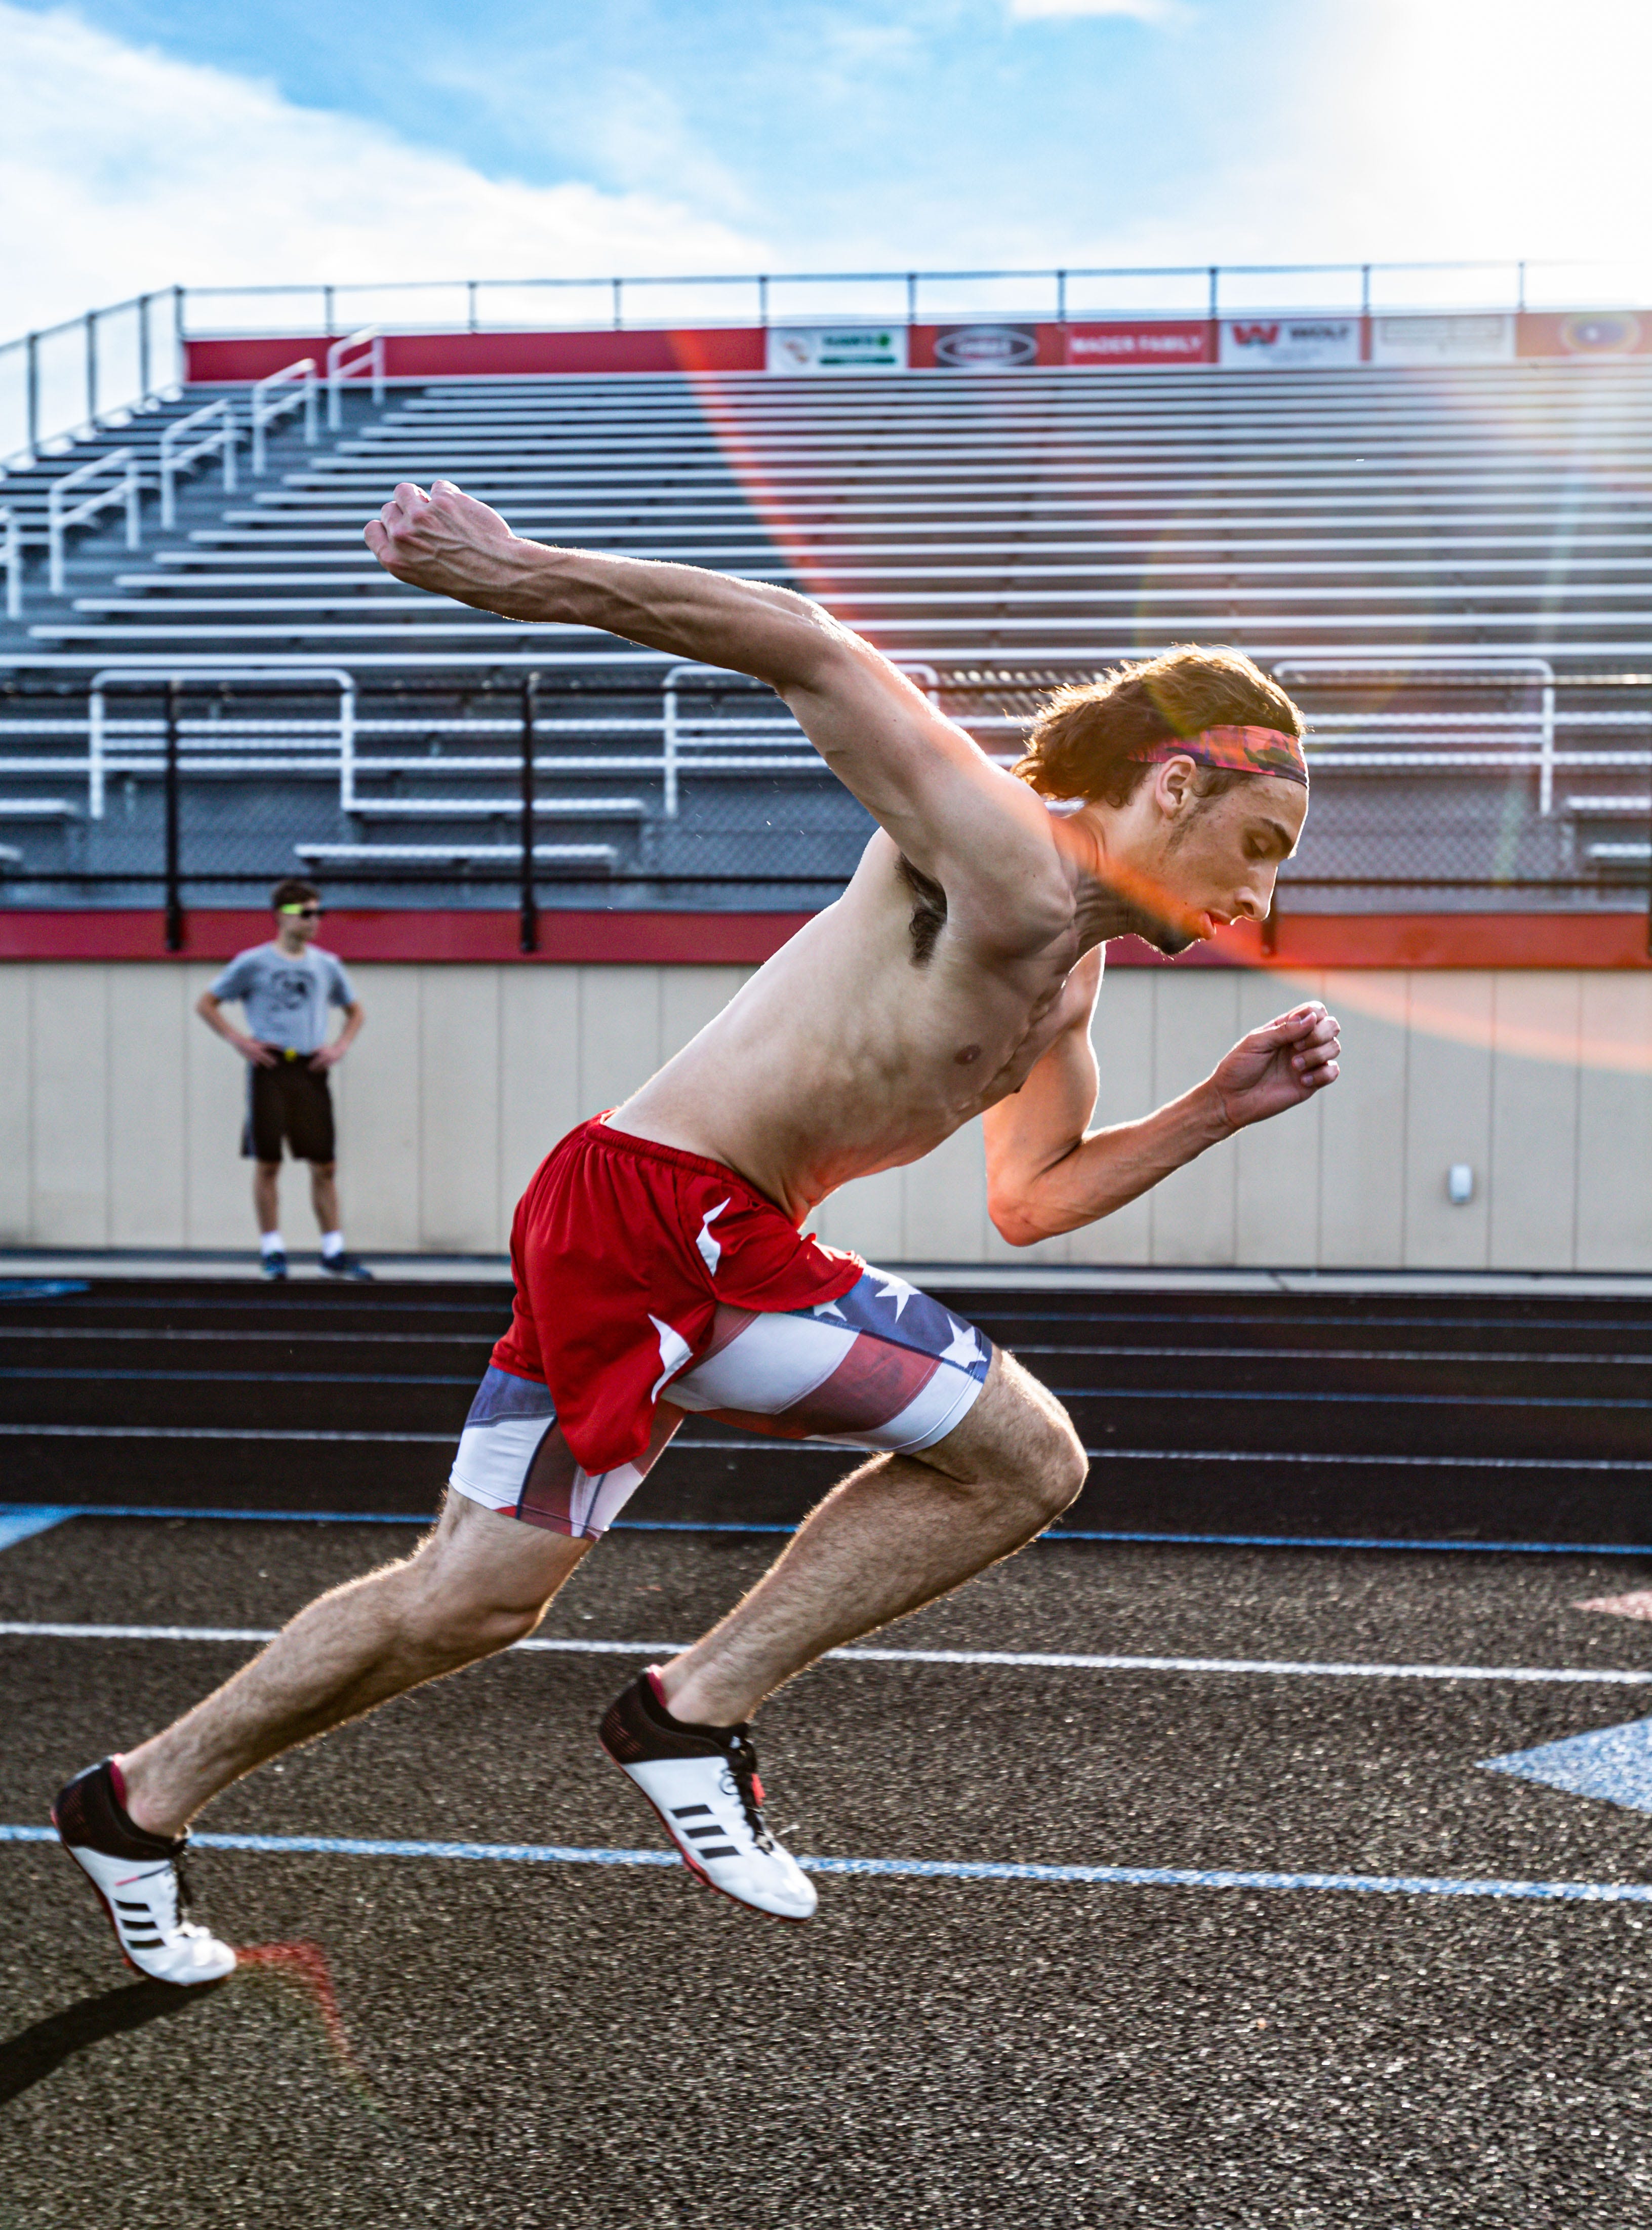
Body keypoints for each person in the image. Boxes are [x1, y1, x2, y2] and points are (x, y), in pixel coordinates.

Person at [52, 483, 1341, 1981]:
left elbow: (1029, 1195)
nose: (1258, 899)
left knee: (468, 1599)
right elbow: (809, 645)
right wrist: (517, 567)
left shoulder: (1066, 984)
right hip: (679, 1217)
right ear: (1172, 784)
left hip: (639, 1222)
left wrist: (1213, 1110)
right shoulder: (998, 853)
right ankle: (689, 1712)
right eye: (1260, 842)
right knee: (1027, 1454)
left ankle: (135, 1805)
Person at [195, 879, 373, 1282]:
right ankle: (272, 1249)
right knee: (269, 1162)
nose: (314, 921)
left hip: (310, 1069)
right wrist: (239, 1041)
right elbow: (207, 1003)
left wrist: (339, 1047)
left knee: (324, 1164)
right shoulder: (253, 963)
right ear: (280, 916)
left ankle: (333, 1250)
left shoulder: (326, 964)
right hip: (271, 1068)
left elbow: (355, 1011)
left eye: (318, 913)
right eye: (304, 913)